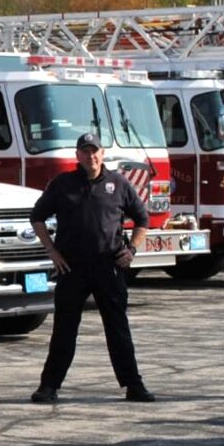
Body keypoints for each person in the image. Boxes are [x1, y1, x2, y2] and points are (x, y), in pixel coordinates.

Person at [29, 132, 154, 404]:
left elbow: (143, 218)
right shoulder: (63, 184)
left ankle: (134, 385)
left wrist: (131, 249)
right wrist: (51, 251)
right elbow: (37, 217)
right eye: (85, 151)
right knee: (64, 330)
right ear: (77, 156)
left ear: (102, 153)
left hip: (108, 266)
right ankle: (48, 386)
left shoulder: (119, 184)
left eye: (94, 151)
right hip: (71, 267)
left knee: (117, 329)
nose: (90, 156)